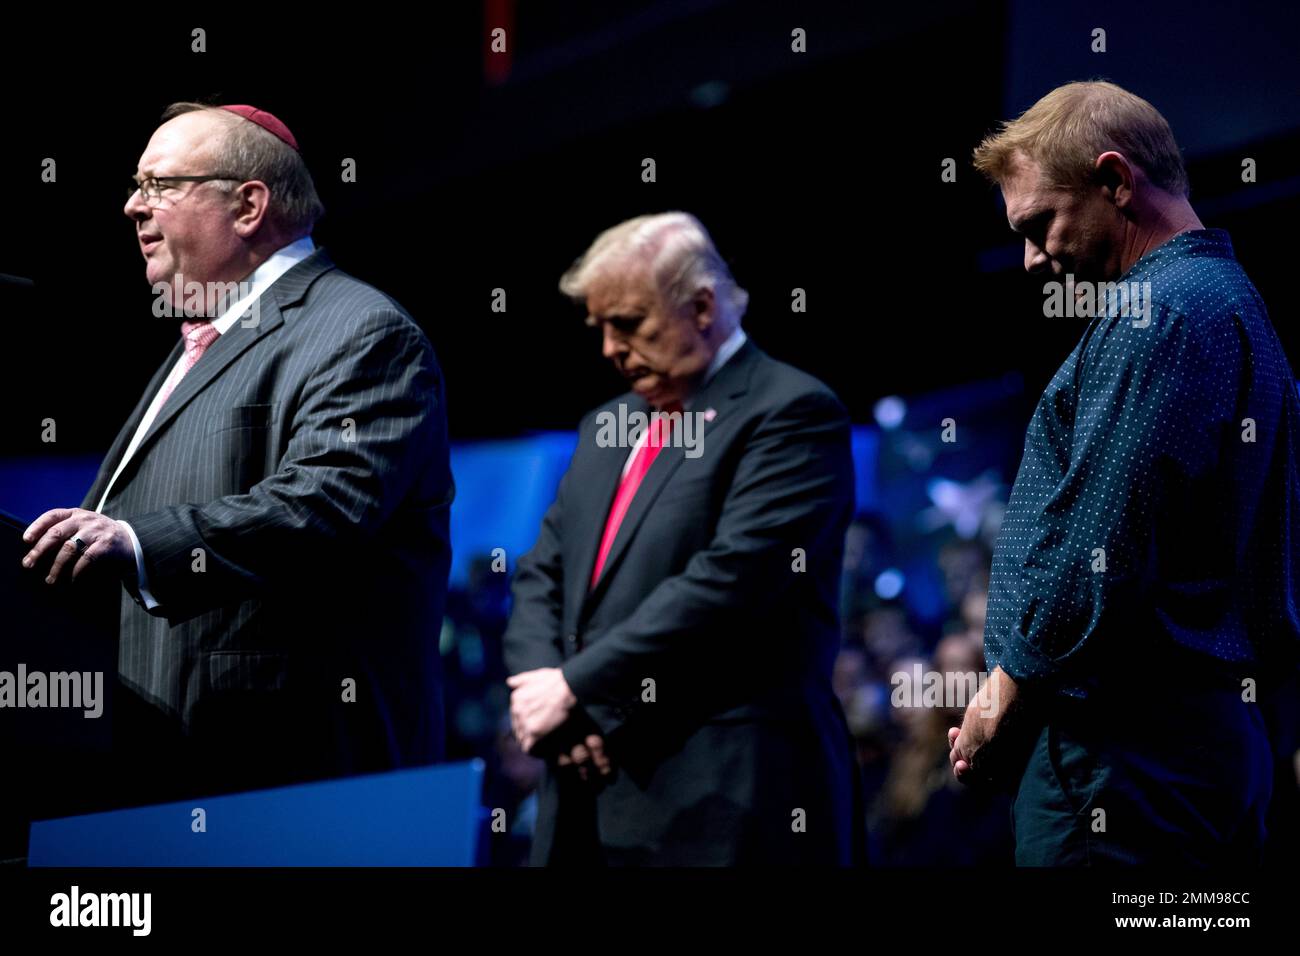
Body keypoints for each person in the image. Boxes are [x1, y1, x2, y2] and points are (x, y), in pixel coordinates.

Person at [19, 102, 453, 803]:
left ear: (249, 204)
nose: (133, 205)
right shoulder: (201, 339)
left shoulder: (361, 330)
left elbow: (326, 505)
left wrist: (133, 541)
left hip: (291, 779)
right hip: (172, 764)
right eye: (137, 184)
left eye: (160, 185)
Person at [951, 81, 1299, 865]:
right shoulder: (1233, 308)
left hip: (1123, 759)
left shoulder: (1163, 312)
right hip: (1198, 750)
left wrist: (1007, 686)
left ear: (1115, 182)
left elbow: (1102, 547)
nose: (1034, 259)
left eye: (1040, 225)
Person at [503, 212, 864, 865]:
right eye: (600, 327)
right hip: (586, 789)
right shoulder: (603, 426)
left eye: (630, 323)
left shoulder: (790, 411)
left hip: (726, 793)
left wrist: (577, 687)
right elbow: (540, 571)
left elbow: (734, 582)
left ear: (702, 306)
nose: (610, 348)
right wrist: (539, 682)